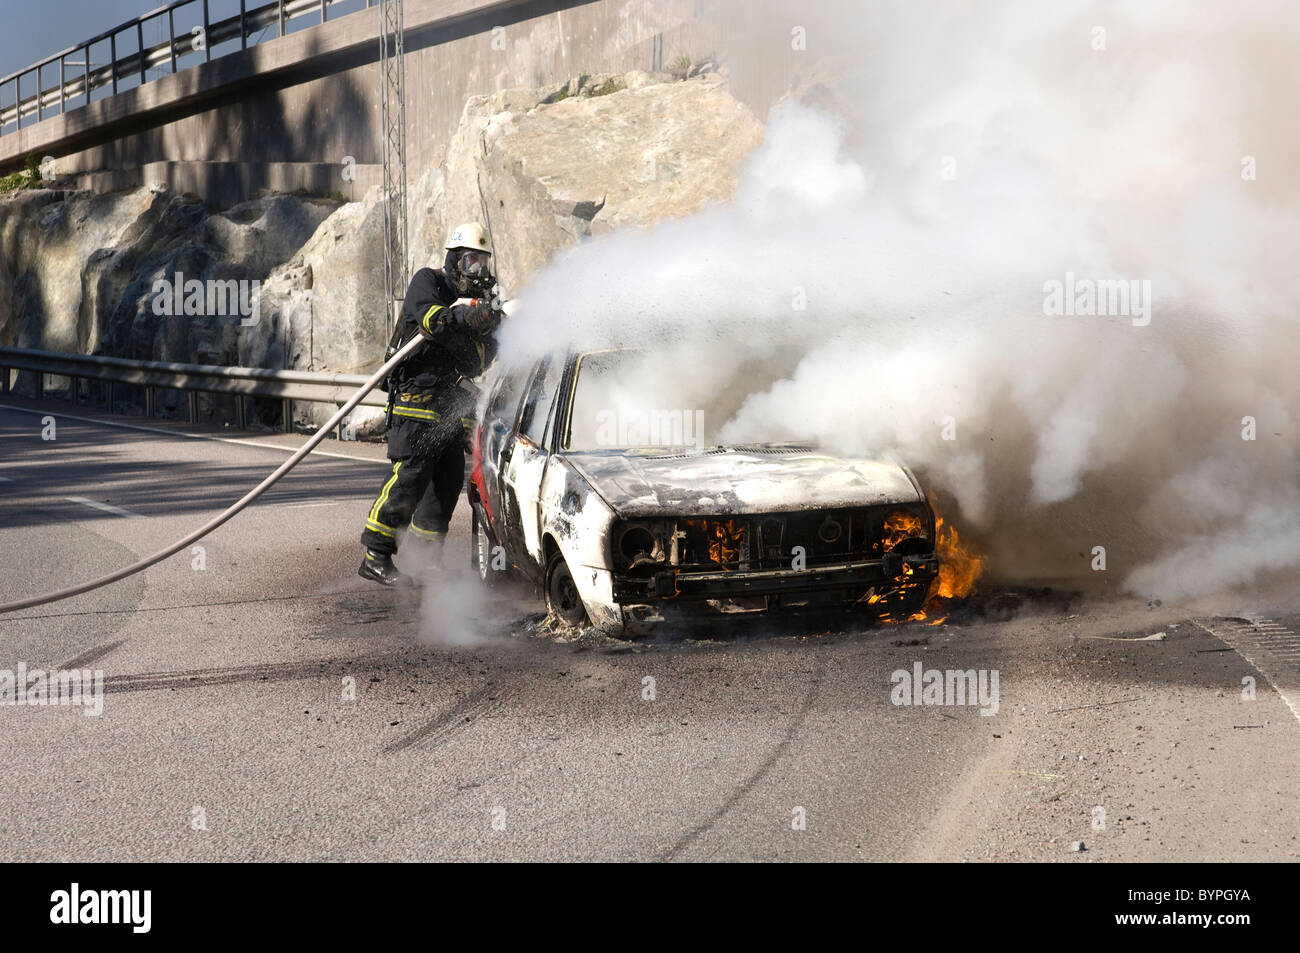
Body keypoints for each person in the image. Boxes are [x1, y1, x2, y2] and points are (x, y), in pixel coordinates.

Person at [358, 223, 502, 586]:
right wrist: (470, 317)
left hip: (451, 409)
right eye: (470, 262)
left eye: (482, 263)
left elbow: (477, 361)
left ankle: (427, 559)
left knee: (447, 482)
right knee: (411, 478)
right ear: (454, 260)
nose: (477, 272)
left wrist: (493, 326)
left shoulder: (481, 306)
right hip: (416, 403)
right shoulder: (429, 282)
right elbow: (433, 321)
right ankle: (376, 555)